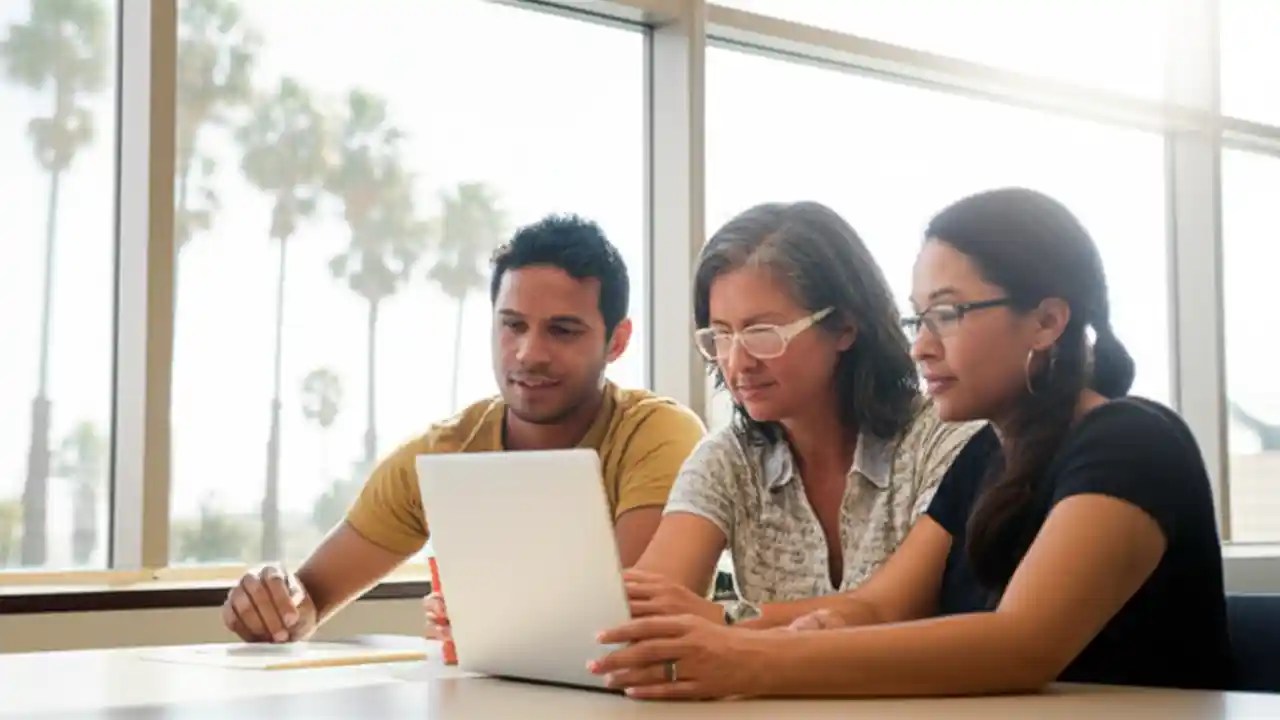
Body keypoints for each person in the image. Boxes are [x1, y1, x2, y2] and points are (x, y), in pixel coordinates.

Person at [588, 188, 1232, 699]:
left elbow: (1019, 644)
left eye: (949, 314)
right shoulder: (989, 455)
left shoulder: (1130, 443)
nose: (922, 344)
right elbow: (879, 605)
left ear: (1046, 320)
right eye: (919, 317)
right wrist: (716, 632)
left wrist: (743, 655)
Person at [222, 214, 705, 644]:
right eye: (512, 325)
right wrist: (273, 604)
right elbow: (309, 601)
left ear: (616, 341)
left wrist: (491, 619)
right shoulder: (440, 453)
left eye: (563, 330)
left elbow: (625, 623)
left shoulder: (658, 434)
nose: (528, 353)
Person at [613, 201, 981, 631]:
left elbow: (895, 609)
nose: (737, 363)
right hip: (782, 698)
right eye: (721, 335)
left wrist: (722, 622)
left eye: (762, 333)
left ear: (845, 327)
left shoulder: (944, 442)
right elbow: (655, 595)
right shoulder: (728, 458)